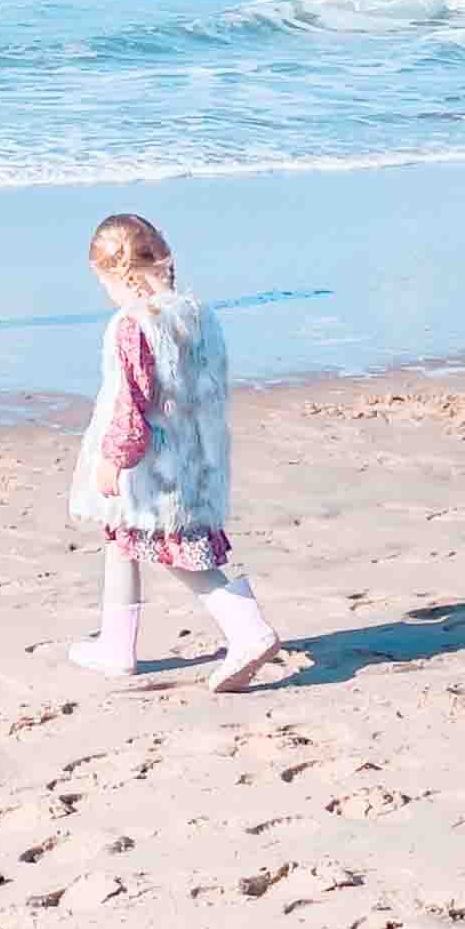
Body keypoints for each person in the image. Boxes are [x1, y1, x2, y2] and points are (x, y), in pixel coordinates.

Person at [65, 209, 282, 695]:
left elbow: (131, 398)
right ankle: (116, 646)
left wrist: (113, 456)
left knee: (180, 553)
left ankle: (248, 629)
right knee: (123, 539)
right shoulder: (199, 315)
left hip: (153, 466)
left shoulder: (132, 325)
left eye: (105, 281)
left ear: (119, 273)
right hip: (198, 454)